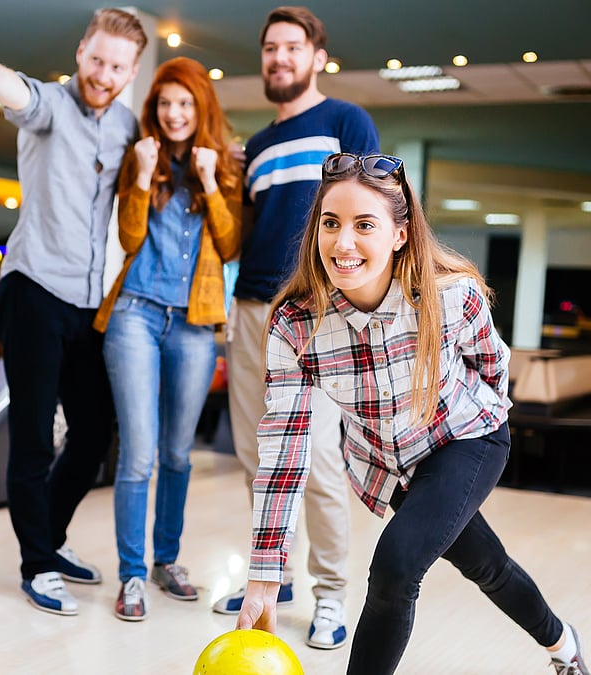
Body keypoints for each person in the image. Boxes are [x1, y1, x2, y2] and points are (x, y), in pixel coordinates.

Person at [234, 152, 591, 675]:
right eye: (330, 224)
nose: (343, 243)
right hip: (388, 466)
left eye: (364, 225)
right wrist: (264, 574)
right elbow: (285, 452)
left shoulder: (450, 297)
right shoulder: (296, 324)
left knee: (396, 568)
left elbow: (492, 365)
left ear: (399, 234)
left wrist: (480, 432)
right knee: (486, 564)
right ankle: (564, 647)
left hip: (466, 439)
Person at [0, 8, 147, 617]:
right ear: (81, 51)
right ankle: (36, 563)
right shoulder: (52, 106)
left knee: (93, 430)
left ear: (131, 70)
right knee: (33, 433)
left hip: (87, 303)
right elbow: (19, 92)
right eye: (96, 59)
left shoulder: (129, 126)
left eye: (117, 66)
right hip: (33, 289)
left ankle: (48, 541)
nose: (103, 73)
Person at [215, 6, 379, 650]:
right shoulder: (255, 146)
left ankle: (332, 596)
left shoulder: (345, 122)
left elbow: (367, 212)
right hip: (253, 309)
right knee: (257, 459)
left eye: (291, 47)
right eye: (269, 49)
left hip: (317, 313)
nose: (278, 58)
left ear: (316, 58)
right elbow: (246, 232)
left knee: (315, 460)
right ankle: (271, 575)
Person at [93, 56, 242, 622]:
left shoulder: (223, 167)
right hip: (134, 313)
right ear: (153, 110)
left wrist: (207, 181)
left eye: (184, 103)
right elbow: (129, 237)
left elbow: (230, 246)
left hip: (196, 323)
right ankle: (132, 573)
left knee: (178, 454)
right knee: (138, 453)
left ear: (201, 107)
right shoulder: (143, 161)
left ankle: (166, 561)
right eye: (164, 103)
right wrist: (136, 177)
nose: (174, 113)